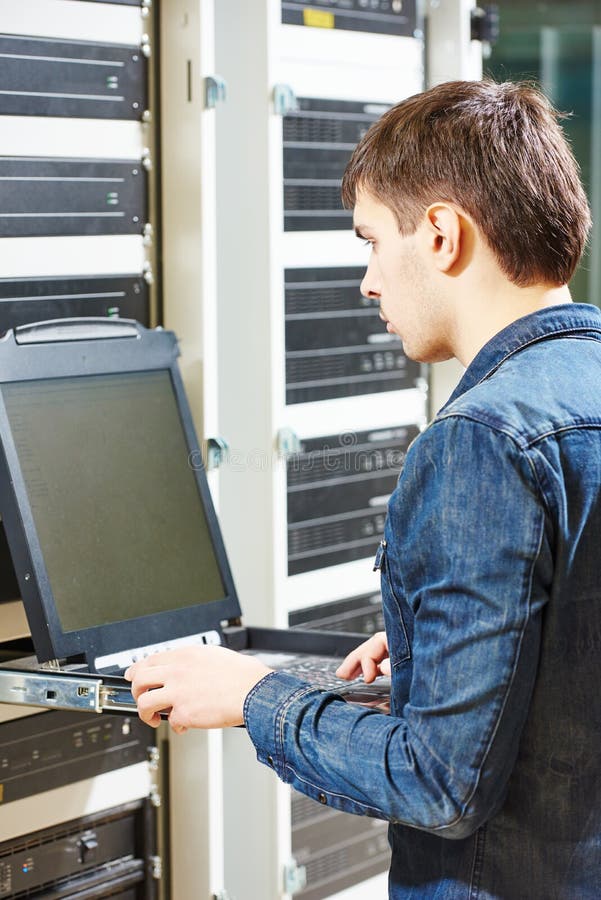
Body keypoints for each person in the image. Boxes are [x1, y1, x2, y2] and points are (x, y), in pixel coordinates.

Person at [126, 80, 601, 898]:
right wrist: (445, 651)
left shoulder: (479, 441)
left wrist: (252, 695)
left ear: (443, 235)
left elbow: (440, 785)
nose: (368, 281)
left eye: (372, 241)